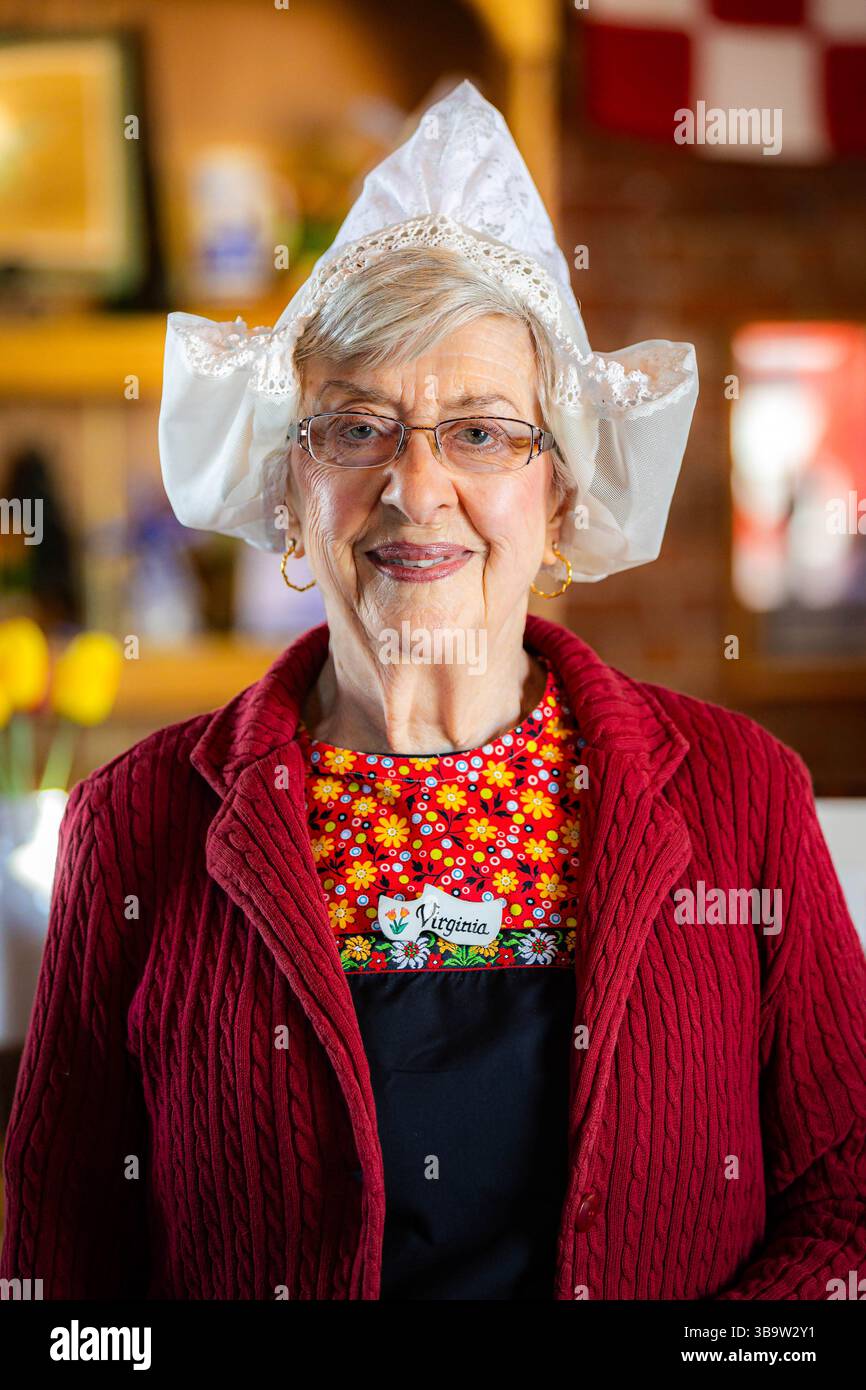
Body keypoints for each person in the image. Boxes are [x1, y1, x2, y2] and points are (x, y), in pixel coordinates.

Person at [2, 82, 864, 1301]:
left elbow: (849, 1200)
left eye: (479, 433)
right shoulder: (131, 826)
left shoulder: (743, 799)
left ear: (559, 499)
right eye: (355, 429)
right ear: (289, 495)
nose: (414, 488)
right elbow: (57, 1268)